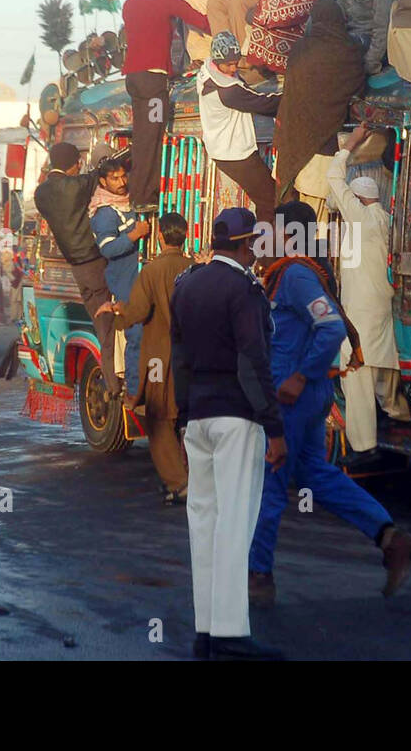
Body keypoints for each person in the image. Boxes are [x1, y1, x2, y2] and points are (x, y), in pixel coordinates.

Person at [248, 201, 411, 608]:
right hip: (305, 395)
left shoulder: (294, 274)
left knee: (270, 482)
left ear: (289, 235)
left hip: (292, 396)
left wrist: (298, 375)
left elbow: (328, 328)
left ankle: (258, 577)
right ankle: (390, 538)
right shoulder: (304, 271)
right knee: (314, 474)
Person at [171, 207, 287, 661]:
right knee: (234, 524)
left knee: (203, 524)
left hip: (197, 416)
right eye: (254, 245)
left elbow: (177, 357)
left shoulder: (187, 285)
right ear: (245, 246)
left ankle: (206, 632)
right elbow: (253, 361)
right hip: (237, 417)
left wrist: (183, 417)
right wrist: (274, 427)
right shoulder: (244, 290)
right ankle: (231, 635)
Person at [326, 125, 406, 468]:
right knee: (383, 370)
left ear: (357, 199)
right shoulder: (386, 221)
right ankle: (401, 416)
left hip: (360, 311)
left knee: (357, 374)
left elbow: (333, 178)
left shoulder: (358, 218)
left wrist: (351, 144)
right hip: (381, 307)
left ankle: (365, 446)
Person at [110, 212, 194, 503]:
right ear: (185, 236)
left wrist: (119, 311)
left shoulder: (151, 271)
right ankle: (187, 479)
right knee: (184, 417)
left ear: (159, 236)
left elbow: (138, 312)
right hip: (191, 357)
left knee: (159, 418)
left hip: (159, 357)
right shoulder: (194, 269)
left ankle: (178, 483)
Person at [122, 0, 212, 212]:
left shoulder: (129, 3)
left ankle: (137, 192)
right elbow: (197, 19)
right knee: (153, 135)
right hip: (154, 81)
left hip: (134, 79)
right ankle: (144, 197)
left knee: (141, 136)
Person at [32, 142, 117, 391]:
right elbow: (96, 176)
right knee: (108, 325)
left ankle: (112, 381)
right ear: (71, 164)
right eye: (77, 161)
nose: (80, 165)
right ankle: (115, 384)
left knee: (98, 320)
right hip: (95, 262)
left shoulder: (40, 194)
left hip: (77, 267)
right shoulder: (74, 186)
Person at [272, 0, 365, 214]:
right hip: (324, 149)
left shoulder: (300, 48)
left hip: (294, 141)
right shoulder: (349, 52)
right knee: (317, 220)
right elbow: (358, 87)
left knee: (299, 217)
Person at [196, 32, 281, 223]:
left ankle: (263, 244)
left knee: (266, 197)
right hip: (235, 153)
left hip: (221, 147)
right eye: (228, 64)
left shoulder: (208, 69)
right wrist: (294, 96)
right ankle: (265, 246)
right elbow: (264, 103)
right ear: (217, 61)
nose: (233, 68)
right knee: (272, 198)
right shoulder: (228, 90)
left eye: (236, 62)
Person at [89, 157, 150, 405]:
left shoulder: (128, 202)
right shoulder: (105, 212)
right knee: (136, 337)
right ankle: (133, 392)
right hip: (126, 283)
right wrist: (134, 235)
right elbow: (107, 249)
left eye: (124, 176)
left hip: (141, 280)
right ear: (103, 181)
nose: (122, 182)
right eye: (115, 178)